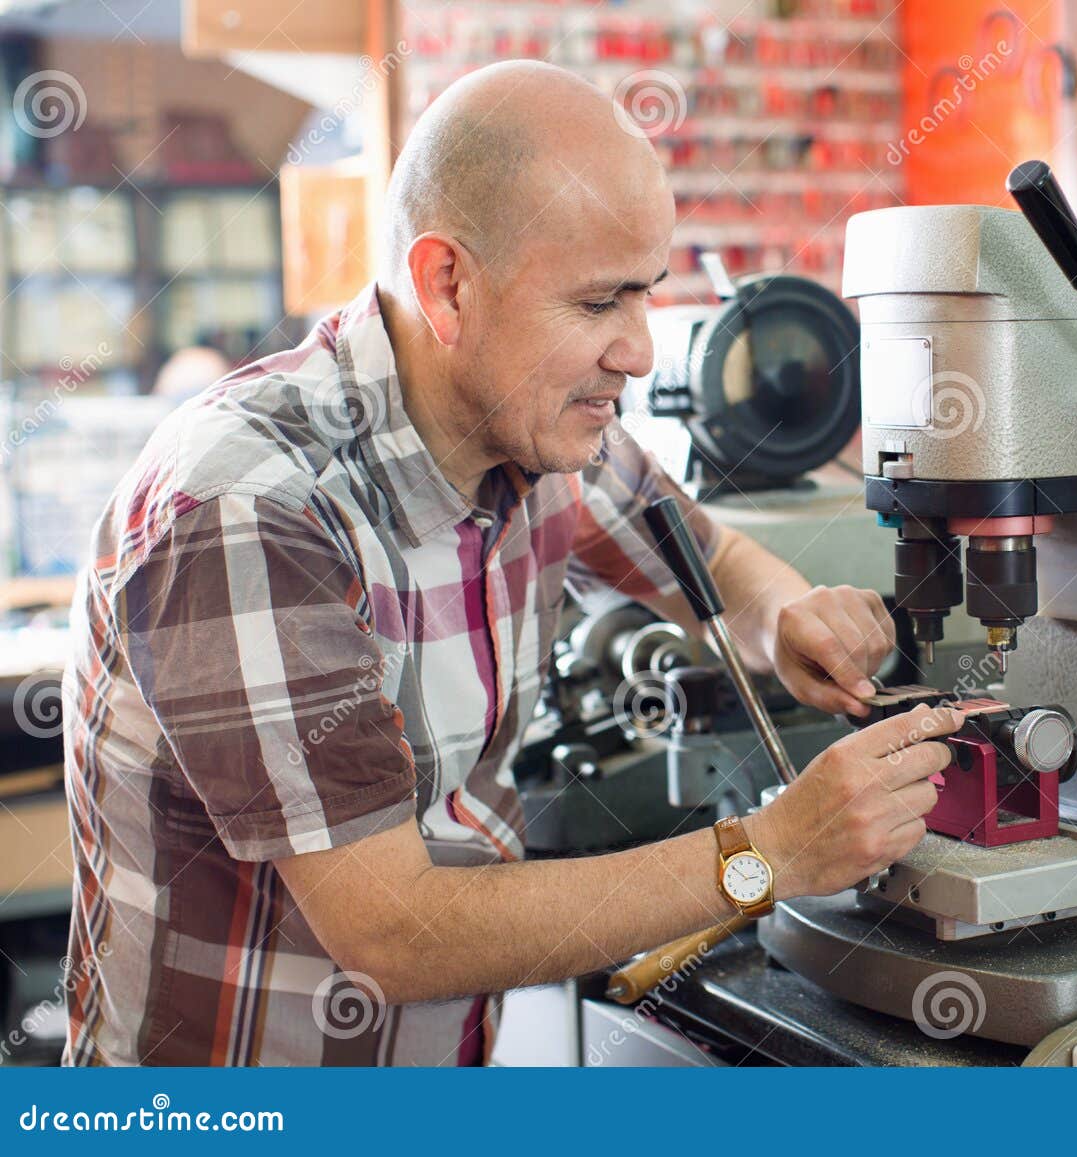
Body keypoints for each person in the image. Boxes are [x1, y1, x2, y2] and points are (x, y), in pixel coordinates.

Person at [59, 60, 960, 1066]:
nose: (640, 350)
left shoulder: (542, 428)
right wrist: (772, 853)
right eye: (597, 302)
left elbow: (710, 560)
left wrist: (786, 618)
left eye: (647, 293)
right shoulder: (251, 506)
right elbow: (389, 931)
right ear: (449, 282)